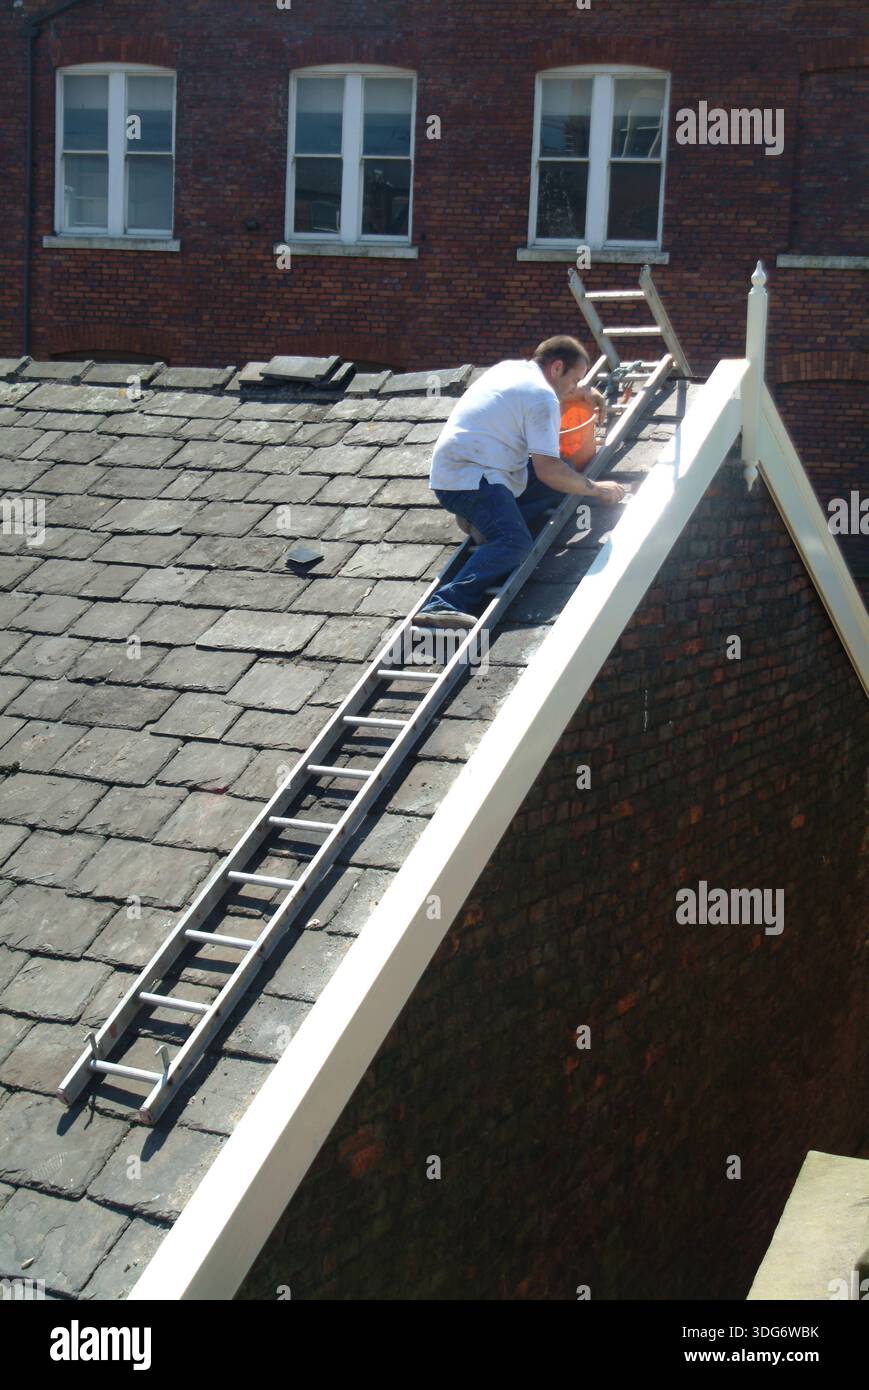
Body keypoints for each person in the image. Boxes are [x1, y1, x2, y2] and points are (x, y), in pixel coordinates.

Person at [414, 336, 626, 629]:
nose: (574, 387)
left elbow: (539, 406)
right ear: (557, 367)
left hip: (460, 471)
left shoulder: (510, 369)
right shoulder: (543, 398)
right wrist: (597, 488)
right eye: (575, 379)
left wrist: (581, 394)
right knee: (515, 542)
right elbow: (548, 471)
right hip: (473, 481)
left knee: (564, 476)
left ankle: (485, 523)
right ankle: (445, 603)